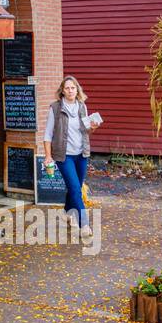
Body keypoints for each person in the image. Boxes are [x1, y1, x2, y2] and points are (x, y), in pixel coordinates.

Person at [43, 75, 101, 231]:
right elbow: (48, 135)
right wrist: (48, 156)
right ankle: (84, 225)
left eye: (73, 88)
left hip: (81, 154)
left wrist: (93, 128)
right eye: (67, 88)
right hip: (64, 155)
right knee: (76, 188)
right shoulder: (55, 108)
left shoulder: (82, 106)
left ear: (77, 89)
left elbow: (86, 131)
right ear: (62, 91)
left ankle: (67, 213)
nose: (70, 90)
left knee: (75, 186)